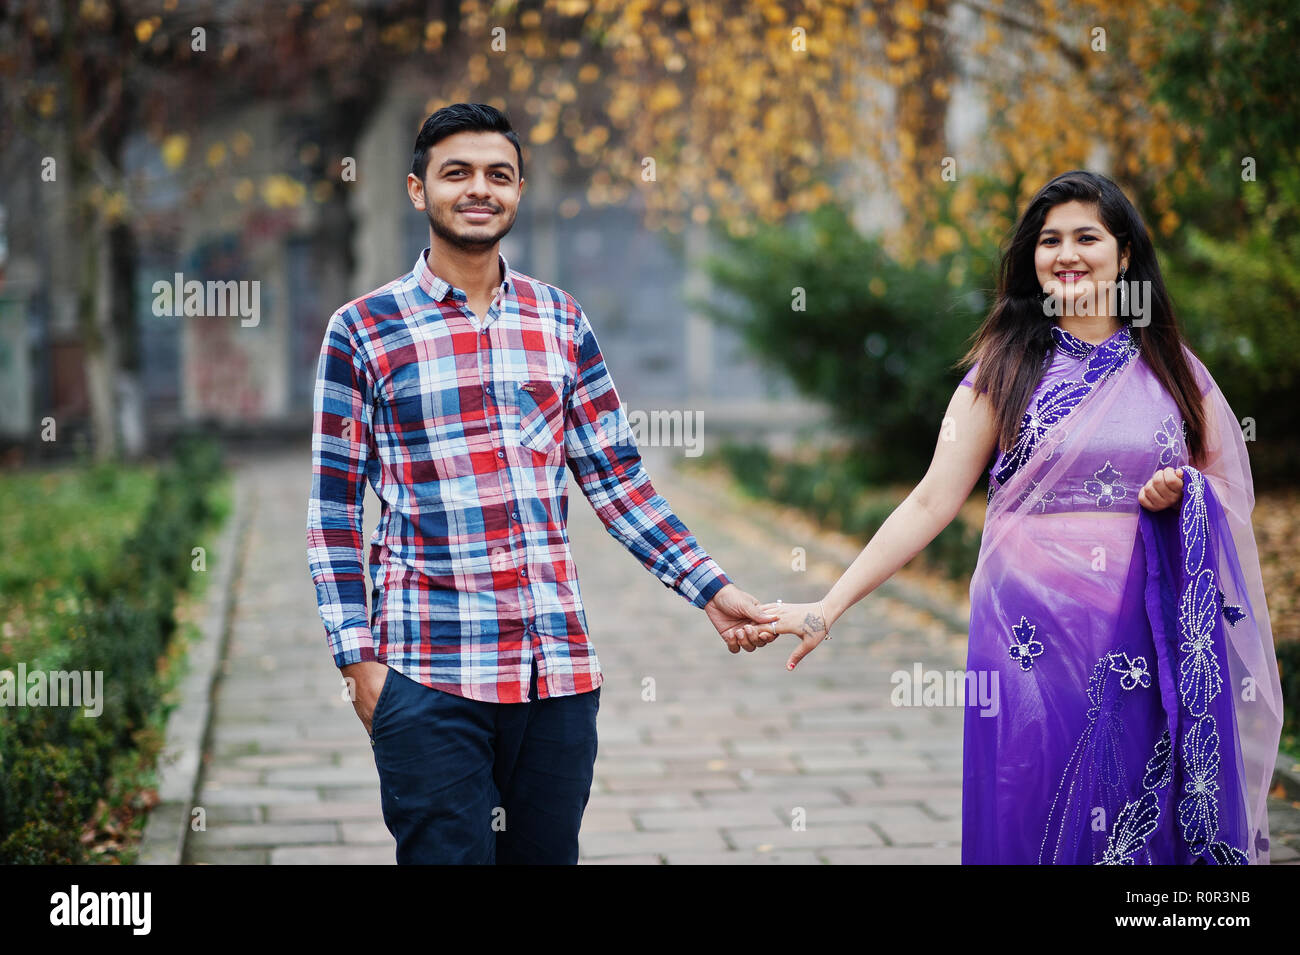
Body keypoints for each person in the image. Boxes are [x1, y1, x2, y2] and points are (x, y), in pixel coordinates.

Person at [754, 170, 1284, 864]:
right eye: (1048, 239)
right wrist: (827, 605)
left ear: (1124, 254)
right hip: (1027, 636)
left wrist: (1184, 494)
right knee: (1032, 804)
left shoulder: (1174, 369)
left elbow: (1224, 484)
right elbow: (930, 499)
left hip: (1147, 633)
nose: (1064, 253)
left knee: (1138, 813)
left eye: (1086, 237)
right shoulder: (1001, 372)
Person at [305, 103, 778, 865]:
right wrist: (358, 661)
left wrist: (712, 589)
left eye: (499, 174)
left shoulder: (559, 319)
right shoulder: (363, 329)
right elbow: (332, 511)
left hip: (554, 672)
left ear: (520, 191)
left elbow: (619, 483)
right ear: (418, 190)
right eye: (456, 172)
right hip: (428, 673)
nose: (479, 189)